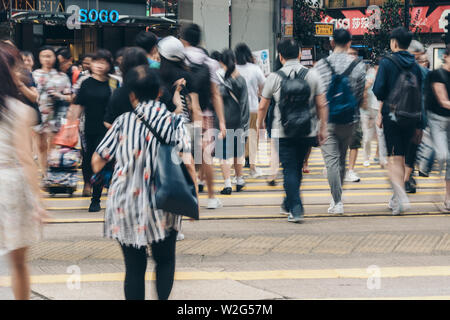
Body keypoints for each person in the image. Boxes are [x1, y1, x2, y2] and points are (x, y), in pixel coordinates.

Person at [91, 65, 193, 300]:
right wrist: (191, 198)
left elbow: (97, 161)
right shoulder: (175, 122)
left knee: (134, 268)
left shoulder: (122, 122)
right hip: (165, 203)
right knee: (165, 260)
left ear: (132, 95)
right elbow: (188, 163)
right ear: (159, 92)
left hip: (126, 202)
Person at [257, 38, 328, 223]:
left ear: (280, 57)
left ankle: (296, 208)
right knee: (296, 167)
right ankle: (288, 202)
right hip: (307, 130)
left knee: (290, 169)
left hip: (283, 130)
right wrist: (323, 128)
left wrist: (259, 124)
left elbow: (263, 105)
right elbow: (321, 104)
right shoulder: (312, 75)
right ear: (299, 54)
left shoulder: (274, 77)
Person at [0, 47, 46, 300]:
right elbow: (27, 159)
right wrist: (38, 201)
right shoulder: (19, 110)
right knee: (18, 263)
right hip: (11, 185)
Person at [314, 29, 366, 215]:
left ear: (331, 42)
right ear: (350, 42)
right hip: (349, 119)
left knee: (331, 162)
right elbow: (360, 93)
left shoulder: (320, 65)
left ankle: (337, 201)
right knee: (342, 159)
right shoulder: (358, 66)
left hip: (326, 119)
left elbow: (315, 93)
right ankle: (337, 197)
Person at [373, 27, 423, 215]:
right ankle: (396, 198)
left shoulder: (387, 62)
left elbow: (378, 90)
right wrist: (420, 124)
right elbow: (421, 96)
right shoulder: (415, 65)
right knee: (401, 156)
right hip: (411, 117)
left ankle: (401, 197)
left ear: (394, 42)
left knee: (394, 159)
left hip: (392, 116)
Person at [180, 23, 226, 209]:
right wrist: (221, 121)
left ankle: (185, 195)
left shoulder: (178, 58)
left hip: (181, 113)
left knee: (181, 154)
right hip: (205, 114)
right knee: (206, 156)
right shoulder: (210, 63)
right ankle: (212, 197)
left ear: (183, 40)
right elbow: (215, 94)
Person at [72, 49, 119, 212]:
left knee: (100, 161)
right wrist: (71, 125)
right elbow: (79, 105)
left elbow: (118, 105)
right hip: (88, 128)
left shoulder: (114, 82)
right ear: (90, 64)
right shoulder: (85, 82)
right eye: (96, 62)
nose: (99, 66)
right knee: (87, 162)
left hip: (108, 129)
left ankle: (96, 199)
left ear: (109, 65)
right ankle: (91, 187)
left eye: (103, 62)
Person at [32, 46, 72, 178]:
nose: (46, 59)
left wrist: (58, 95)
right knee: (41, 145)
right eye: (43, 56)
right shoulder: (34, 74)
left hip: (56, 115)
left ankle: (51, 172)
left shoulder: (62, 76)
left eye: (49, 56)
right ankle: (44, 172)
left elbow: (70, 97)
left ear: (55, 58)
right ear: (39, 58)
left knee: (53, 146)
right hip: (38, 114)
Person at [215, 49, 249, 194]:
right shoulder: (241, 79)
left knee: (224, 155)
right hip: (238, 121)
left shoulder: (219, 79)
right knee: (237, 153)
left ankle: (227, 184)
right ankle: (240, 180)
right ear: (234, 61)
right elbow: (244, 104)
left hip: (223, 122)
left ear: (221, 62)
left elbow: (216, 102)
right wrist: (245, 124)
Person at [424, 44, 450, 210]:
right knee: (443, 156)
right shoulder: (437, 74)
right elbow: (442, 101)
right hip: (437, 121)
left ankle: (448, 198)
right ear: (446, 57)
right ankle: (427, 161)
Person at [235, 43, 265, 178]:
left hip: (236, 109)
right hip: (252, 107)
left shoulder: (233, 69)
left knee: (237, 137)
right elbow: (263, 86)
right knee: (252, 136)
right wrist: (258, 93)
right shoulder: (255, 69)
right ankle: (252, 168)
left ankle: (237, 173)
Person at [103, 47, 149, 128]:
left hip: (126, 139)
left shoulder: (119, 93)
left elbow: (108, 122)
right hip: (151, 139)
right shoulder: (156, 89)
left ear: (123, 66)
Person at [344, 46, 363, 182]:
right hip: (340, 113)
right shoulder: (336, 67)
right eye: (350, 53)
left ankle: (350, 170)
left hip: (353, 113)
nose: (352, 56)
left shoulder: (360, 69)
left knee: (354, 143)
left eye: (354, 54)